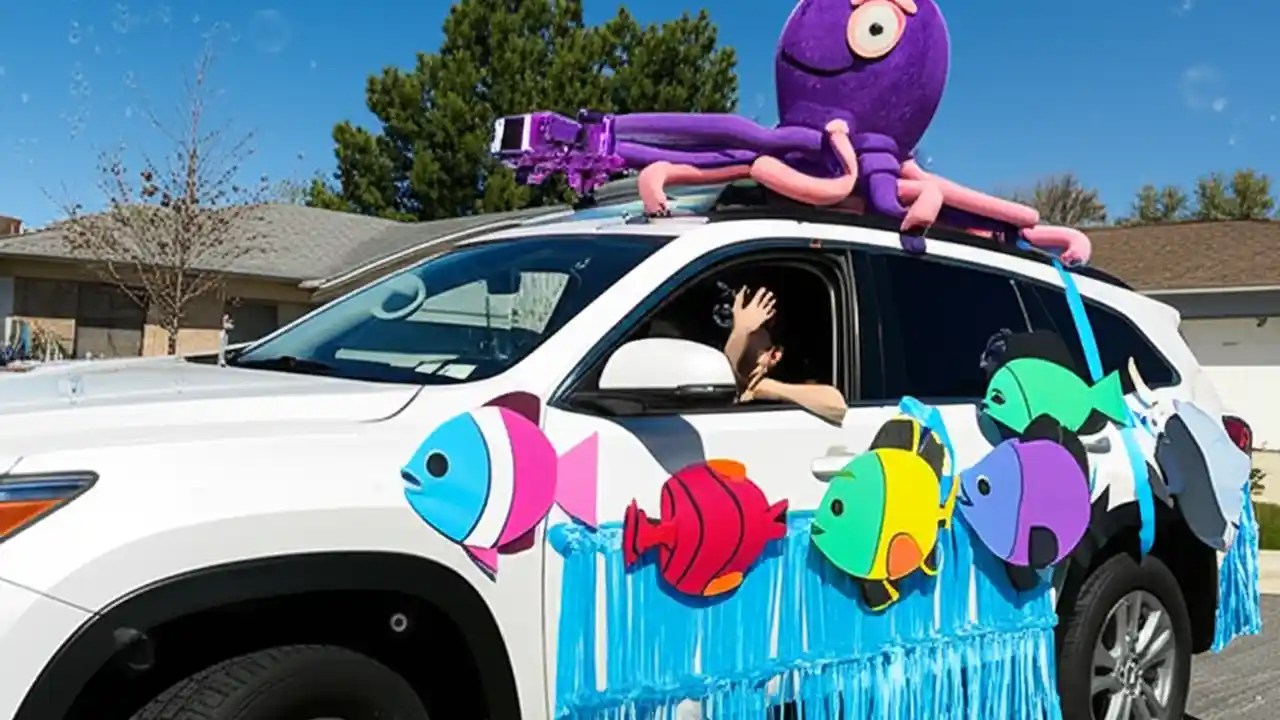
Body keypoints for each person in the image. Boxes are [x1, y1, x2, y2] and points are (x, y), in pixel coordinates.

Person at [723, 286, 847, 425]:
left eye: (755, 327)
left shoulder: (783, 398)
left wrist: (766, 388)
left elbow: (837, 406)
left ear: (775, 355)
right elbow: (726, 373)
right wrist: (741, 330)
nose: (743, 324)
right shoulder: (720, 382)